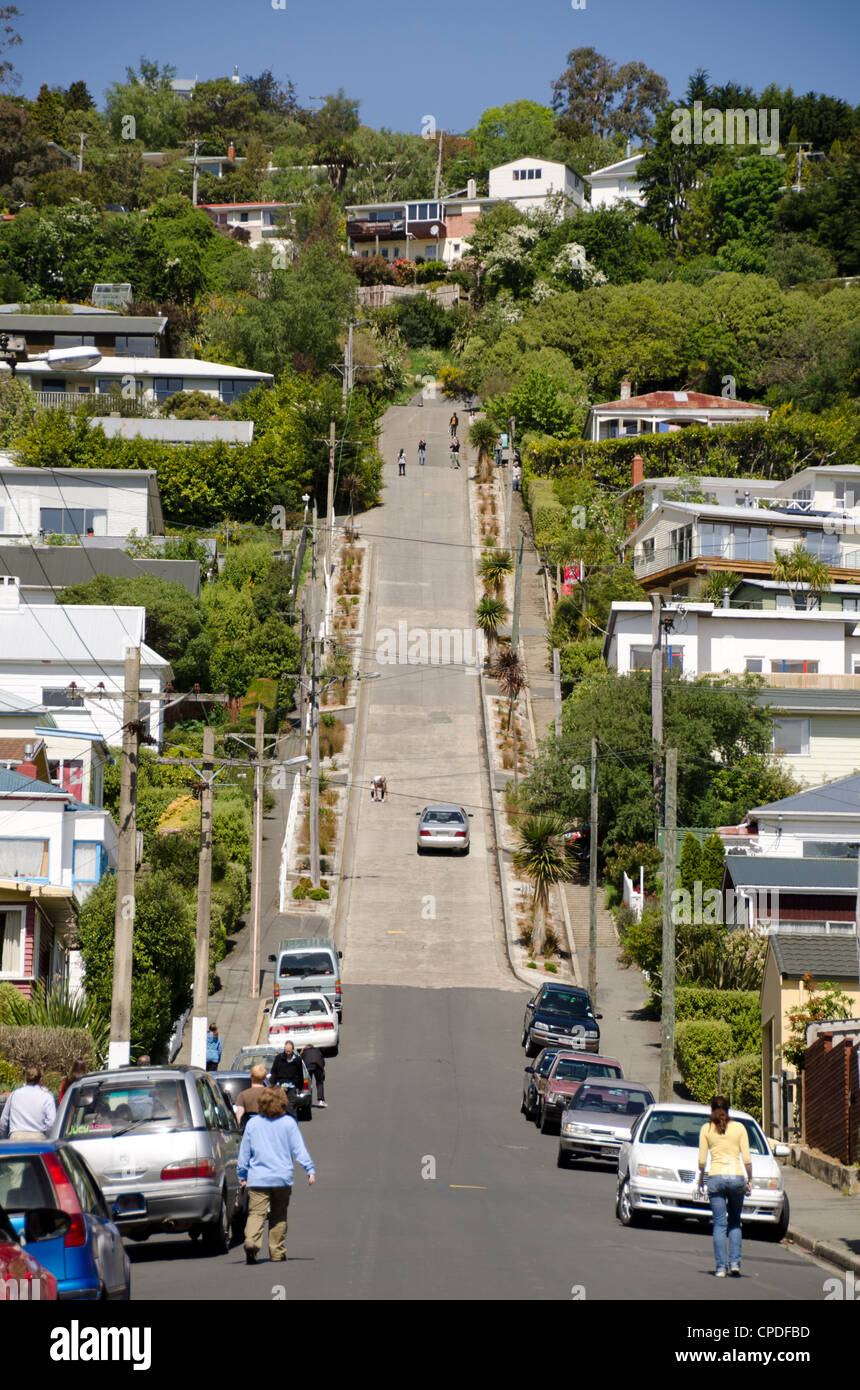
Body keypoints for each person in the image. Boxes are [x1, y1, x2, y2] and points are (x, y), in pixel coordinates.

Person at [238, 1086, 315, 1264]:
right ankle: (277, 1251)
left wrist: (242, 1175)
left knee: (256, 1213)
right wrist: (309, 1169)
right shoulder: (289, 1123)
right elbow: (299, 1149)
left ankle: (251, 1242)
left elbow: (244, 1153)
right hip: (282, 1177)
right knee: (279, 1215)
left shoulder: (253, 1124)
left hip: (257, 1178)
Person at [696, 1094, 753, 1278]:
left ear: (711, 1110)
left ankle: (721, 1268)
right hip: (736, 1177)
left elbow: (702, 1160)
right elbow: (746, 1158)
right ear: (728, 1110)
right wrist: (749, 1179)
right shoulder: (739, 1128)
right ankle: (735, 1263)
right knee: (735, 1221)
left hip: (716, 1178)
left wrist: (700, 1180)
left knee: (719, 1224)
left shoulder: (706, 1129)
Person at [0, 1065, 56, 1140]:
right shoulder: (47, 1096)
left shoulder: (14, 1094)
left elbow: (3, 1121)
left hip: (16, 1137)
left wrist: (5, 1138)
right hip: (38, 1138)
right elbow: (51, 1123)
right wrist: (48, 1138)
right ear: (41, 1080)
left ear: (26, 1079)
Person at [269, 1040, 304, 1105]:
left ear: (292, 1050)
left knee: (291, 1105)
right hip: (280, 1086)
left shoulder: (297, 1059)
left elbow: (300, 1074)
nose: (288, 1053)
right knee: (280, 1105)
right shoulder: (278, 1058)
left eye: (289, 1051)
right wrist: (272, 1085)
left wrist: (300, 1088)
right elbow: (274, 1072)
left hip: (292, 1086)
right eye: (286, 1051)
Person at [234, 1063, 267, 1129]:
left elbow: (239, 1117)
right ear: (264, 1077)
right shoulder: (272, 1094)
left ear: (251, 1076)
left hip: (250, 1130)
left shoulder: (243, 1095)